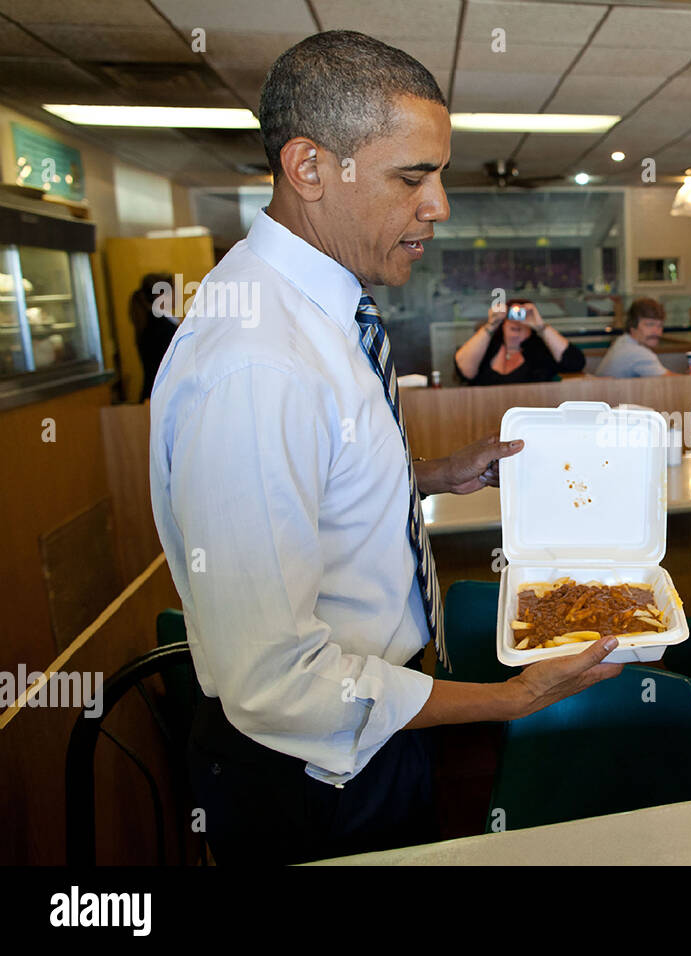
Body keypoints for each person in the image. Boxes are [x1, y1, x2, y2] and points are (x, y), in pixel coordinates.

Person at [148, 31, 621, 865]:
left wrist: (428, 475)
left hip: (371, 733)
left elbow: (309, 483)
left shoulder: (320, 313)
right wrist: (508, 701)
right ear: (310, 168)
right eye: (414, 177)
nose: (439, 205)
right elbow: (276, 680)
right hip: (316, 774)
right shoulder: (259, 362)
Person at [453, 298, 584, 385]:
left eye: (523, 316)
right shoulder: (488, 347)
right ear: (503, 323)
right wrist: (492, 323)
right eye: (511, 315)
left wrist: (540, 325)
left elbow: (575, 362)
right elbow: (464, 371)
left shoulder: (541, 350)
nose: (517, 320)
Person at [594, 297, 691, 377]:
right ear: (633, 326)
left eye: (660, 325)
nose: (656, 331)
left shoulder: (624, 341)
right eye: (649, 324)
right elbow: (673, 383)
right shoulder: (636, 352)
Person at [131, 272, 179, 402]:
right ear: (160, 295)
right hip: (161, 397)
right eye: (174, 290)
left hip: (157, 395)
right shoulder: (160, 327)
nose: (178, 295)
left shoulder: (155, 322)